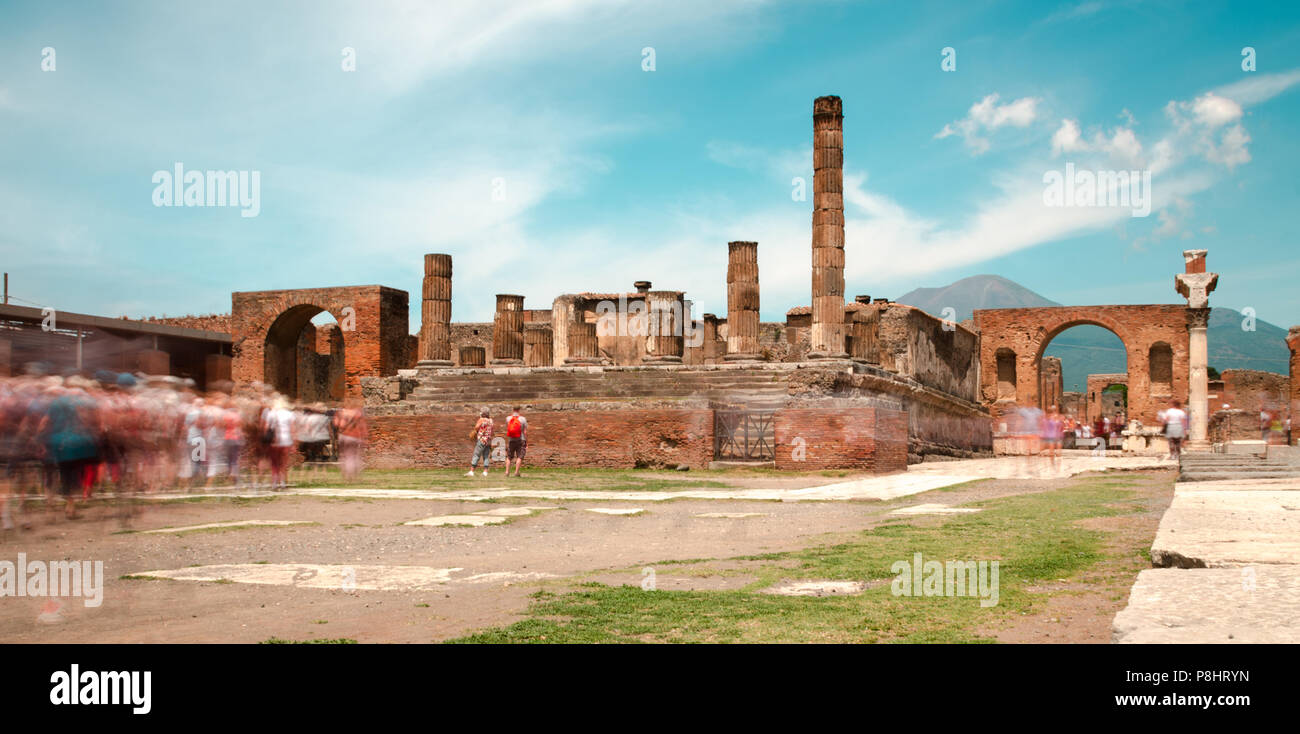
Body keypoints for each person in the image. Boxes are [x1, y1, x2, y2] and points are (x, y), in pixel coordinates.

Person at [334, 402, 367, 482]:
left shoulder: (340, 413)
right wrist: (364, 437)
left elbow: (336, 424)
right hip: (354, 436)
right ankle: (352, 476)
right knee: (353, 456)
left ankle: (345, 475)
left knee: (343, 456)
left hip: (343, 436)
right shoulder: (357, 413)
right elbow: (362, 427)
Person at [466, 409, 493, 477]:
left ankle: (471, 471)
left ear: (483, 413)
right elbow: (492, 430)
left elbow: (476, 427)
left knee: (476, 455)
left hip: (482, 439)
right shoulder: (491, 420)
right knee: (486, 456)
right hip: (488, 440)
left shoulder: (481, 420)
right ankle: (485, 472)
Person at [505, 406, 527, 478]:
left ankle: (507, 472)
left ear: (513, 409)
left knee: (509, 456)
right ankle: (516, 472)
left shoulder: (508, 418)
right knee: (520, 456)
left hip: (511, 440)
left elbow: (507, 429)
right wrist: (527, 441)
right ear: (519, 410)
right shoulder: (523, 419)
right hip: (521, 440)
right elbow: (525, 432)